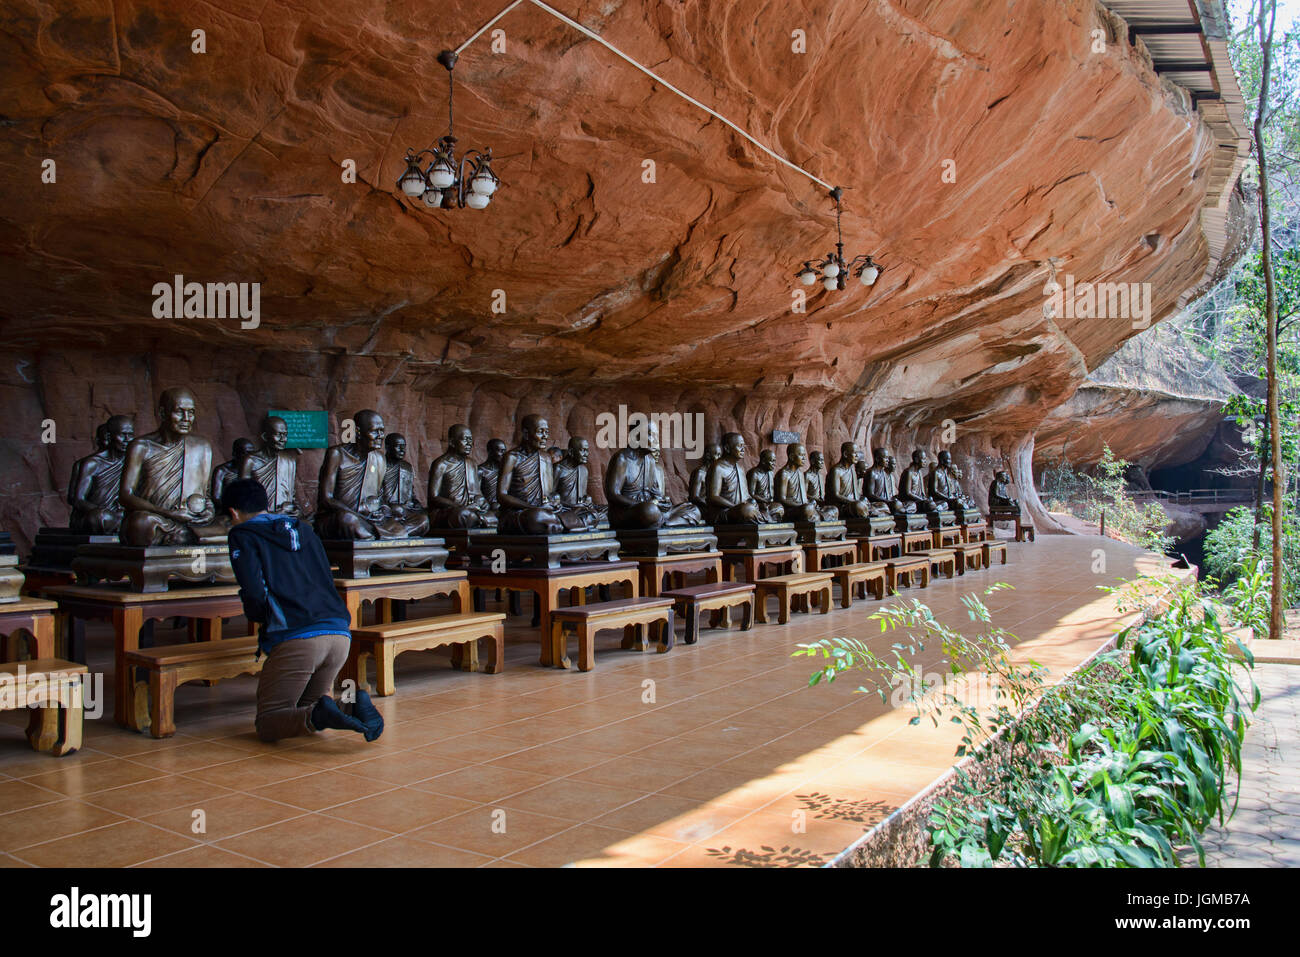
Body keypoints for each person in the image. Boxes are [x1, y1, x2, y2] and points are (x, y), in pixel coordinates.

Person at [224, 478, 383, 743]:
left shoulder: (242, 534)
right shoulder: (304, 529)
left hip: (298, 636)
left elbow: (253, 590)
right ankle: (351, 704)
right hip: (339, 633)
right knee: (307, 705)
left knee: (269, 721)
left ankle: (327, 713)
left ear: (233, 513)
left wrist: (261, 618)